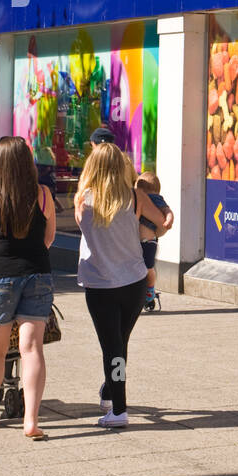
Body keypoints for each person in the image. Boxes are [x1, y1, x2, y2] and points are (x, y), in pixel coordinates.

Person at [0, 136, 57, 439]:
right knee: (32, 348)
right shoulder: (43, 195)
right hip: (38, 274)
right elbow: (49, 239)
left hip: (0, 276)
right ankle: (31, 421)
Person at [75, 142, 166, 427]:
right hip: (134, 282)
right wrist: (143, 230)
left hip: (100, 283)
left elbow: (86, 228)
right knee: (119, 341)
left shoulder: (83, 200)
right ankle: (110, 392)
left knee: (112, 345)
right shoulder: (135, 197)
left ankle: (118, 408)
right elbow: (162, 223)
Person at [135, 172, 174, 310]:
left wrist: (169, 219)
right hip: (140, 241)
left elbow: (167, 210)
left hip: (148, 241)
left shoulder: (154, 198)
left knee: (148, 267)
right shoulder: (139, 198)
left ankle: (150, 290)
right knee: (142, 268)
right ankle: (142, 292)